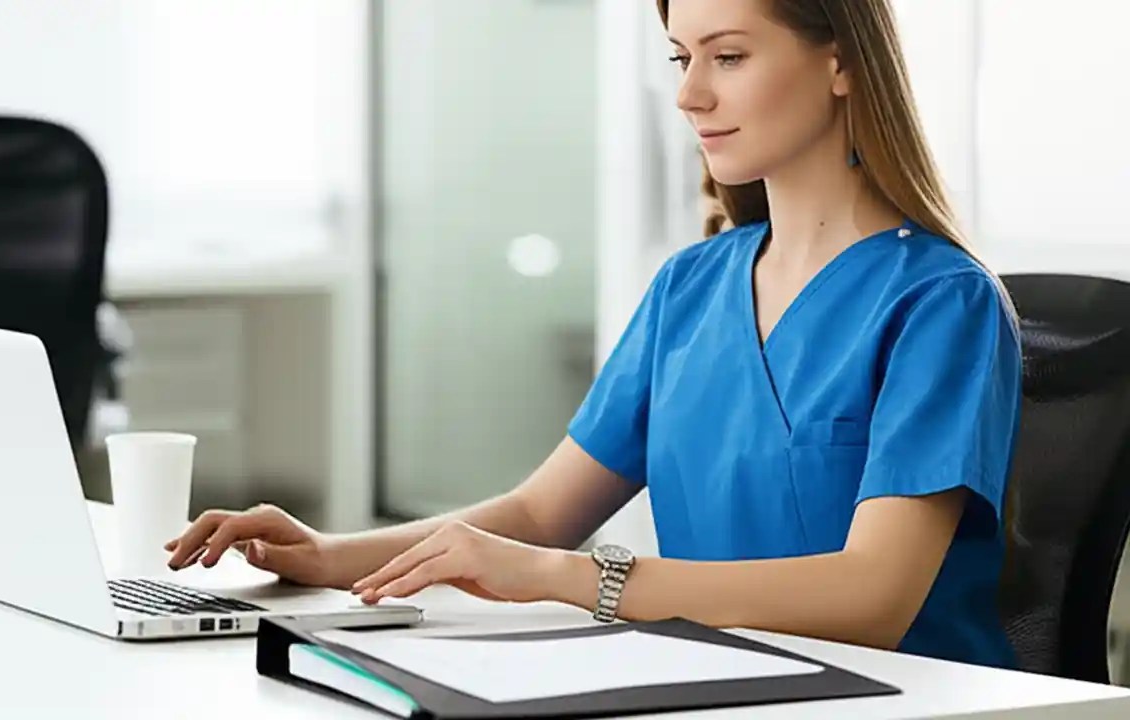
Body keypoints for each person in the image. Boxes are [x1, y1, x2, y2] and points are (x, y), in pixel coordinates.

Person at [165, 0, 1021, 669]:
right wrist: (330, 555)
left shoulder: (941, 302)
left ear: (841, 61)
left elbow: (872, 597)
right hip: (719, 686)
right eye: (682, 59)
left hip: (905, 701)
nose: (689, 94)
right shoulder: (691, 288)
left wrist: (566, 579)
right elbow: (540, 512)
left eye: (728, 56)